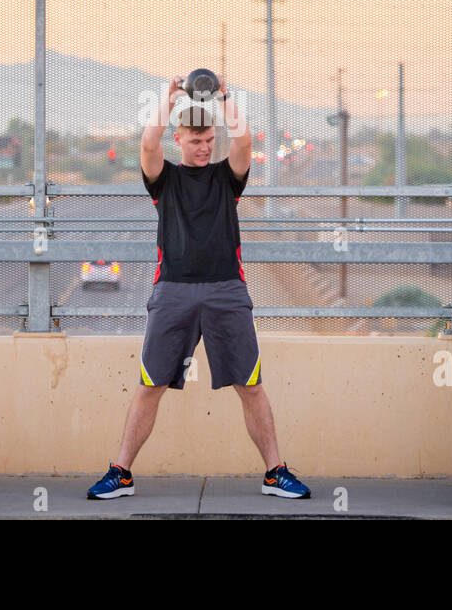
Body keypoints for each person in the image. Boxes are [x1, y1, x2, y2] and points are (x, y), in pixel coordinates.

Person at [87, 75, 309, 499]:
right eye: (195, 140)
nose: (205, 147)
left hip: (227, 290)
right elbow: (148, 147)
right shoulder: (164, 180)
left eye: (209, 139)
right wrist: (169, 100)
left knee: (251, 385)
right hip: (173, 291)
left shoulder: (227, 178)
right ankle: (121, 473)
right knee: (150, 385)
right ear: (180, 139)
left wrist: (224, 99)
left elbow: (243, 145)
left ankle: (274, 472)